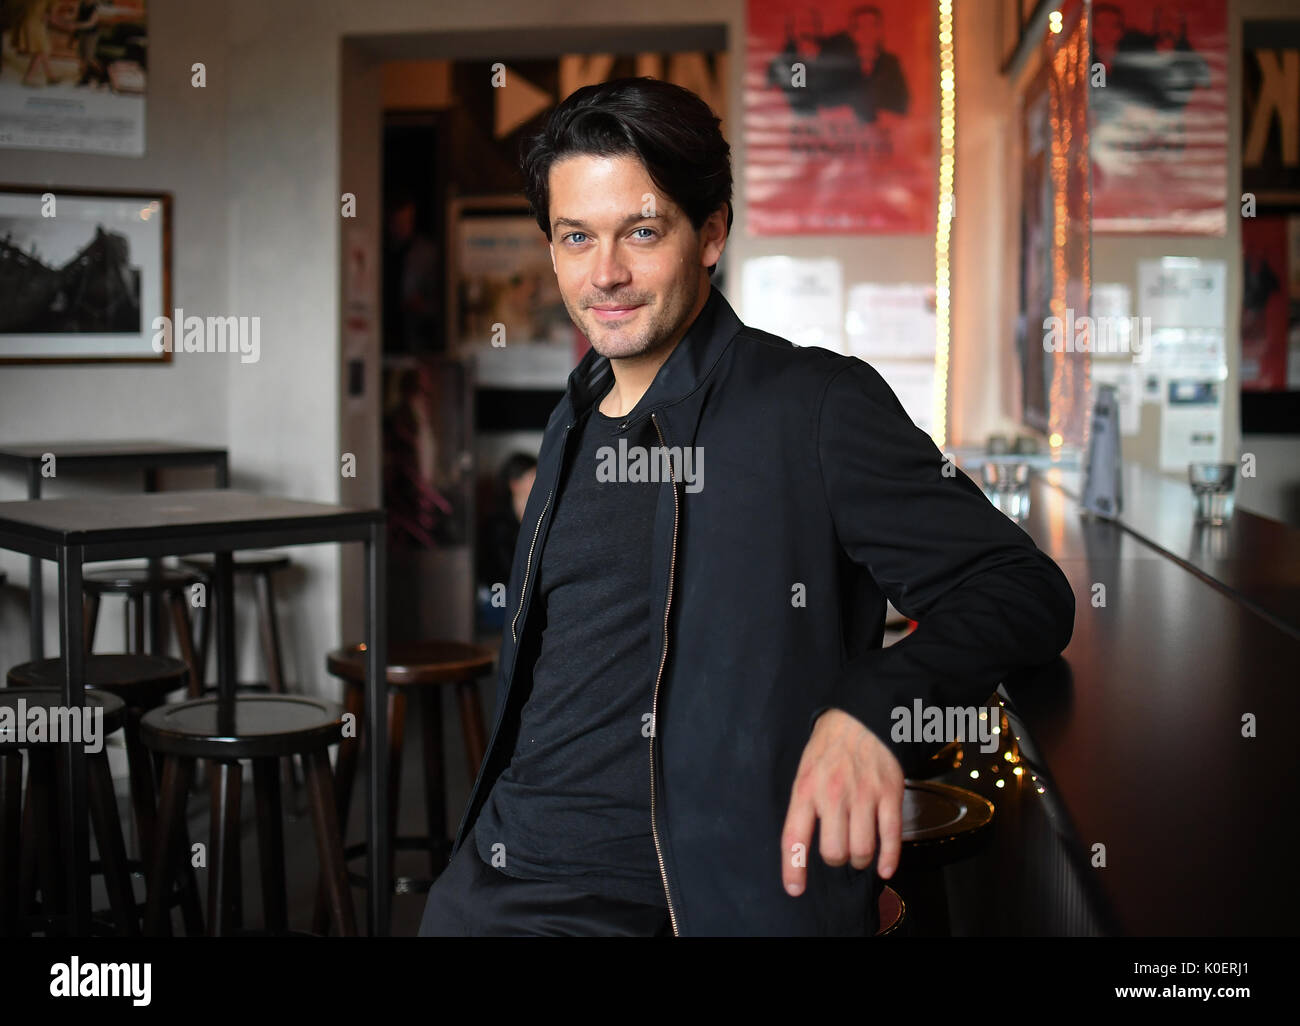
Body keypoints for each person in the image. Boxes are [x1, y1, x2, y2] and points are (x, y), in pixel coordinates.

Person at [419, 77, 1075, 937]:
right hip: (494, 885)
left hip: (682, 902)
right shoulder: (570, 421)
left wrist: (873, 703)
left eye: (642, 232)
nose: (605, 273)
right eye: (576, 237)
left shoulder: (812, 405)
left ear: (712, 234)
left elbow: (1021, 588)